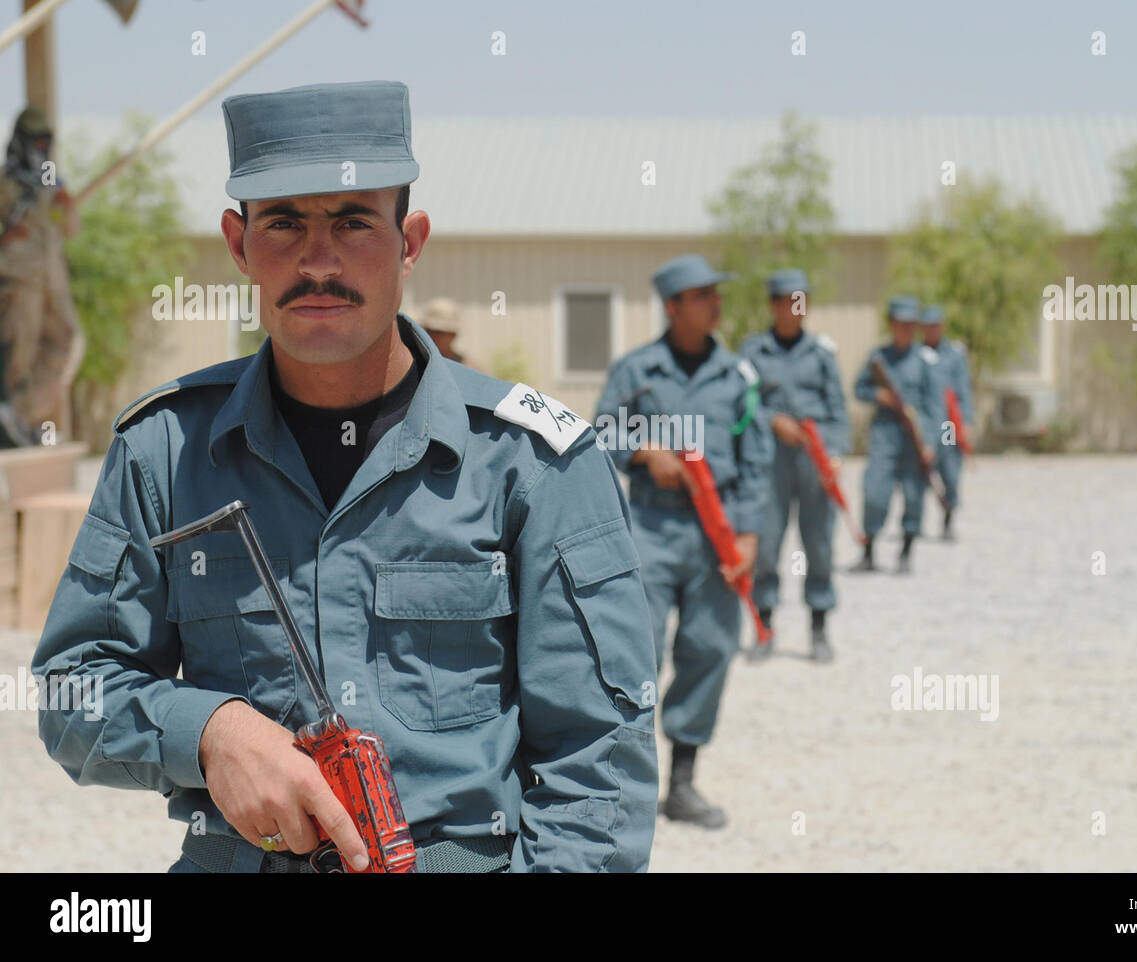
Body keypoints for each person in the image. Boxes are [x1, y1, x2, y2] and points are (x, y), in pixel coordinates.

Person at [30, 80, 658, 873]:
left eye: (354, 221)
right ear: (237, 242)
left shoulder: (531, 464)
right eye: (283, 223)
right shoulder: (165, 451)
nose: (316, 261)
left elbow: (599, 761)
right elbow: (68, 693)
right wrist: (210, 731)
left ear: (411, 240)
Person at [594, 253, 772, 829]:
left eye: (717, 294)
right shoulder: (637, 368)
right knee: (636, 651)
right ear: (673, 306)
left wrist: (747, 537)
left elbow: (755, 459)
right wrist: (647, 453)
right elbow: (599, 431)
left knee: (712, 647)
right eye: (703, 296)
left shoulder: (739, 375)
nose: (716, 304)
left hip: (715, 531)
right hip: (651, 525)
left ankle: (684, 783)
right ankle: (622, 785)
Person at [738, 268, 848, 663]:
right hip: (769, 459)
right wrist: (772, 420)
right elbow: (740, 403)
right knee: (766, 543)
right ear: (774, 305)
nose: (797, 309)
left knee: (817, 543)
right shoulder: (752, 352)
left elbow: (837, 408)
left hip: (813, 456)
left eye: (803, 300)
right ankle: (764, 629)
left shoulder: (821, 353)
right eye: (789, 300)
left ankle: (819, 629)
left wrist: (834, 454)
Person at [0, 106, 83, 445]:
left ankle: (22, 415)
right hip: (19, 279)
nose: (39, 147)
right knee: (19, 352)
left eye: (44, 140)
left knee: (68, 342)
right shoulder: (5, 183)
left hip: (53, 280)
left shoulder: (51, 182)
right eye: (33, 140)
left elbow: (72, 231)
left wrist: (69, 206)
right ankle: (12, 425)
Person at [849, 294, 943, 575]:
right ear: (891, 324)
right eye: (899, 323)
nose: (905, 329)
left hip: (915, 438)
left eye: (909, 324)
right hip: (885, 434)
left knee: (914, 496)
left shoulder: (925, 361)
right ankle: (869, 552)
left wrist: (932, 441)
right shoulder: (878, 358)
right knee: (874, 492)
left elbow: (936, 405)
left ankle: (905, 553)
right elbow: (858, 389)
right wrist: (879, 395)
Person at [918, 304, 973, 539]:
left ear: (942, 327)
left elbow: (963, 389)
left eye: (936, 326)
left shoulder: (954, 354)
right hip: (925, 424)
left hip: (949, 425)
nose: (932, 330)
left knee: (950, 472)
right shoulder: (916, 354)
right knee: (920, 474)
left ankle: (948, 520)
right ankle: (913, 523)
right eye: (928, 326)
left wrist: (967, 422)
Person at [413, 295, 477, 370]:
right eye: (428, 331)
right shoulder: (414, 366)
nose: (432, 336)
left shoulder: (469, 368)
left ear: (453, 335)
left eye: (438, 332)